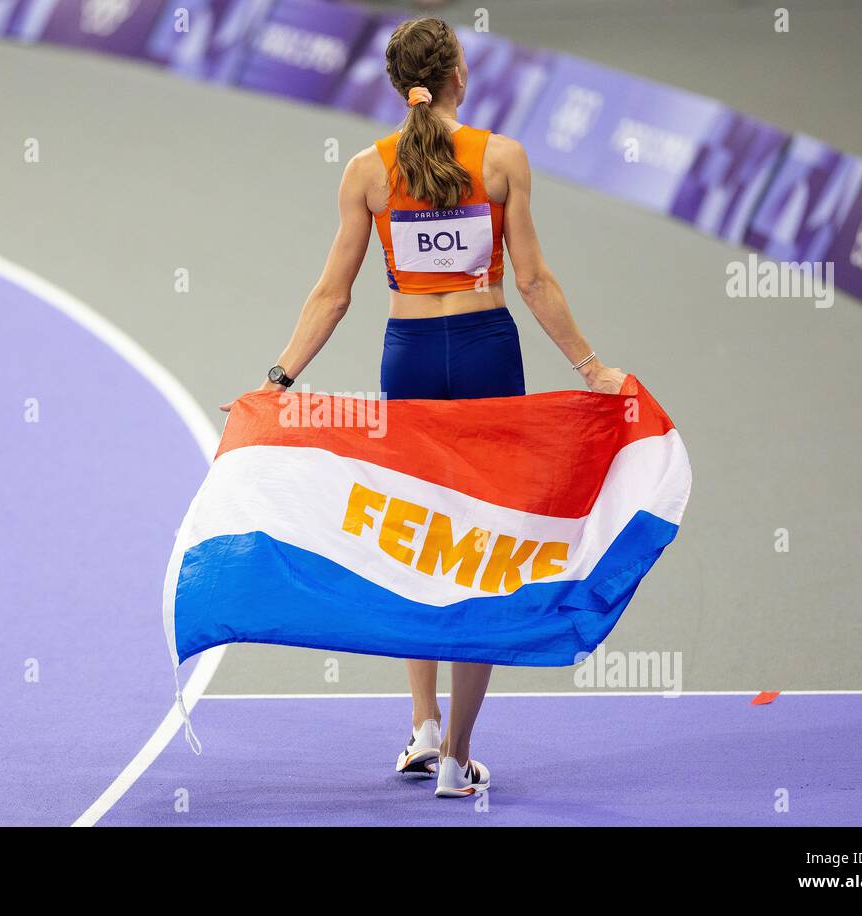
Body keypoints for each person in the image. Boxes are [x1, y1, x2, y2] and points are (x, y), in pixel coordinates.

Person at [222, 17, 626, 798]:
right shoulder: (502, 158)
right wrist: (591, 367)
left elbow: (332, 296)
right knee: (482, 544)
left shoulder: (368, 172)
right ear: (458, 79)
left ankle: (422, 727)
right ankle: (455, 756)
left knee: (418, 544)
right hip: (485, 356)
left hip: (406, 360)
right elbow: (536, 283)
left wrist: (277, 382)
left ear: (397, 85)